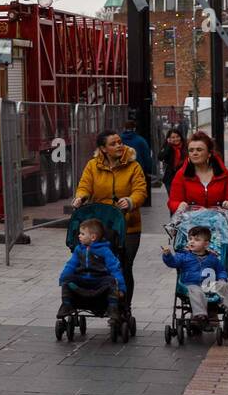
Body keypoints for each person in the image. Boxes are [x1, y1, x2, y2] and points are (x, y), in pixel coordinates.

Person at [74, 129, 148, 303]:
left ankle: (124, 305)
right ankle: (102, 300)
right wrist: (81, 197)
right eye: (113, 144)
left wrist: (130, 201)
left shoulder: (133, 166)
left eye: (120, 142)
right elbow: (85, 185)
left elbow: (141, 190)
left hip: (128, 225)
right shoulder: (93, 165)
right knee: (99, 265)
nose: (119, 146)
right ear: (103, 148)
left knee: (124, 266)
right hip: (101, 225)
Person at [161, 225, 228, 328]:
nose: (192, 242)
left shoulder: (213, 258)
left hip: (209, 285)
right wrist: (167, 255)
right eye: (190, 239)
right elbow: (173, 262)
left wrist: (222, 278)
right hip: (191, 284)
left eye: (197, 240)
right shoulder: (183, 256)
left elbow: (221, 270)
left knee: (223, 285)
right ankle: (200, 315)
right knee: (196, 291)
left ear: (206, 244)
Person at [57, 218, 126, 323]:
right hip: (82, 279)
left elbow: (114, 268)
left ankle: (113, 308)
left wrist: (121, 288)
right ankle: (66, 305)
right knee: (67, 279)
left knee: (112, 281)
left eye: (82, 234)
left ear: (93, 237)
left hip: (99, 280)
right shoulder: (79, 250)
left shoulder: (105, 251)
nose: (79, 236)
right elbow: (71, 265)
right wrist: (63, 278)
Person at [168, 131, 228, 215]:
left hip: (218, 224)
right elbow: (173, 202)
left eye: (199, 150)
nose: (194, 153)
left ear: (209, 153)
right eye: (191, 150)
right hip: (190, 225)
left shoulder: (224, 174)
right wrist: (179, 205)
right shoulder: (181, 174)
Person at [120, 116, 155, 202]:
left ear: (124, 128)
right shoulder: (141, 140)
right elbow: (146, 157)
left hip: (121, 170)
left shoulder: (119, 140)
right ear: (134, 128)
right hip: (138, 170)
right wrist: (149, 169)